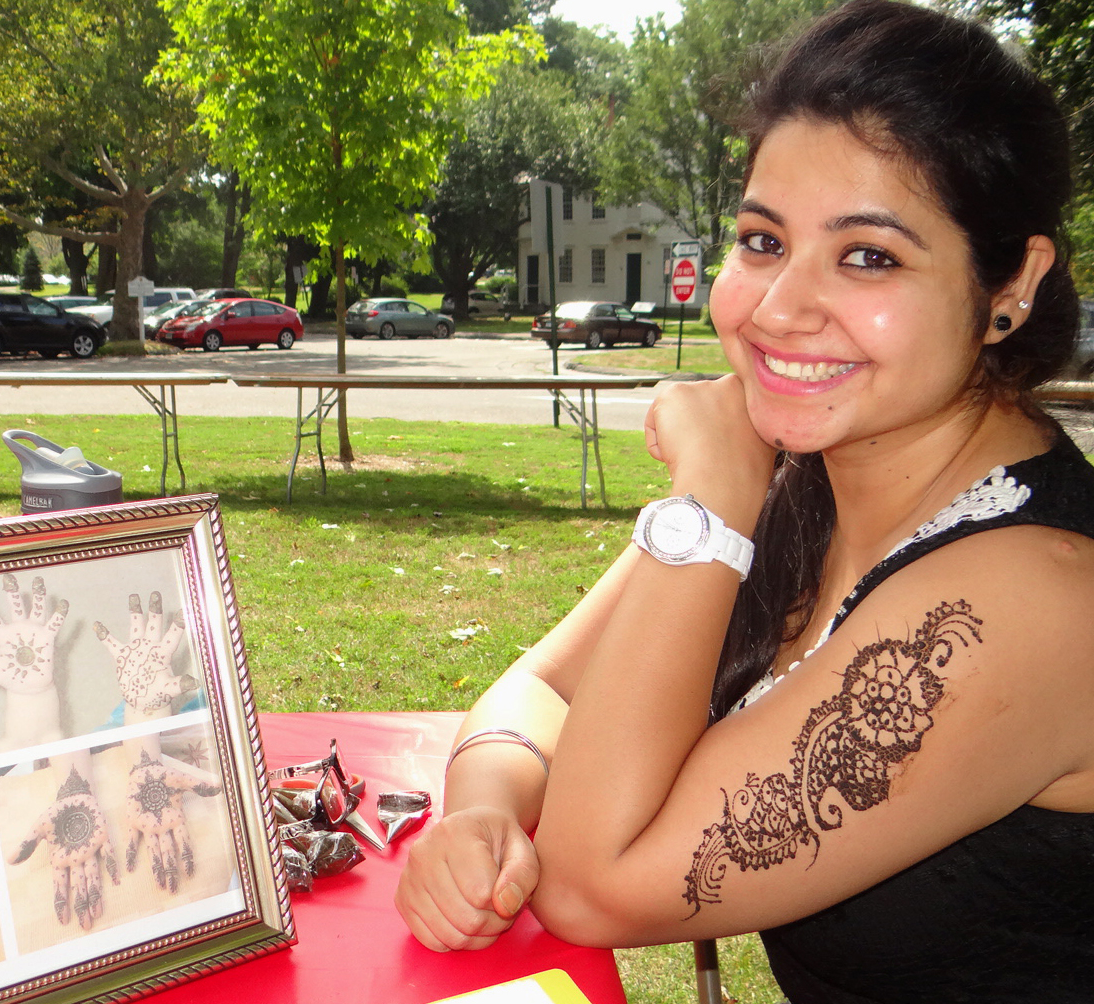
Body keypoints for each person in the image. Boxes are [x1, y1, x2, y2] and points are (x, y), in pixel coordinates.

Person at [394, 1, 1094, 999]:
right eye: (762, 240)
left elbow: (594, 885)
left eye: (868, 255)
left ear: (1010, 285)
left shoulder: (1037, 599)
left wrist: (715, 495)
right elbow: (541, 688)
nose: (776, 307)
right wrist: (484, 810)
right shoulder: (806, 483)